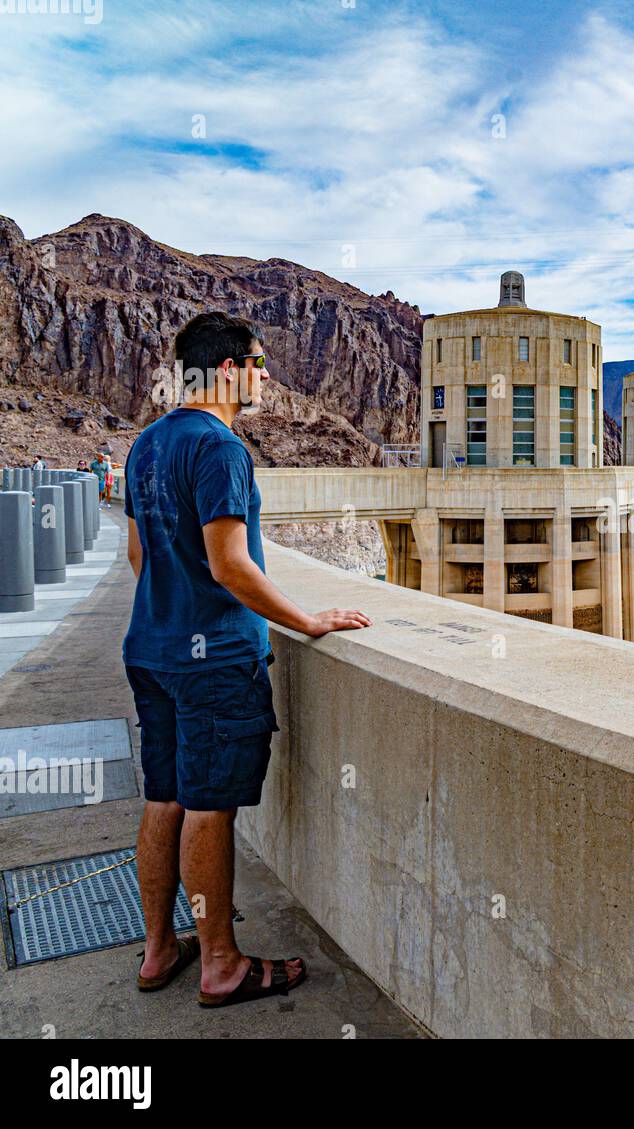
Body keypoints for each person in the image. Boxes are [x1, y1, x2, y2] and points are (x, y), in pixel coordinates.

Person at [124, 311, 371, 1008]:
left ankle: (158, 948)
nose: (266, 375)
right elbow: (231, 565)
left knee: (163, 795)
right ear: (229, 369)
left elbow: (140, 556)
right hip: (213, 661)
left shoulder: (145, 444)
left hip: (151, 648)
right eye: (259, 362)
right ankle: (222, 963)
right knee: (209, 807)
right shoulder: (220, 446)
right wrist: (307, 618)